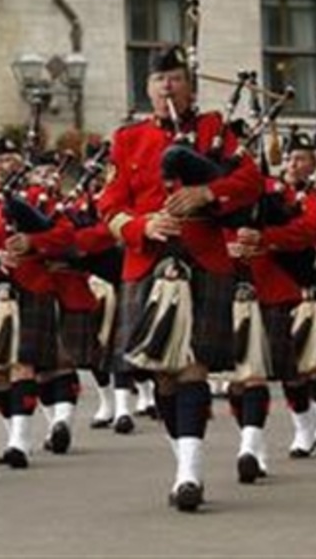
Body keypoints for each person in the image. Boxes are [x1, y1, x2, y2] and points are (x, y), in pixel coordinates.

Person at [97, 45, 262, 511]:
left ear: (190, 84)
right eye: (158, 79)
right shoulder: (128, 140)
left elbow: (251, 183)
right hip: (149, 263)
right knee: (162, 379)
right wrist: (140, 226)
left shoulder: (217, 131)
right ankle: (182, 460)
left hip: (202, 259)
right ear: (147, 88)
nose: (166, 86)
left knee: (190, 366)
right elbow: (108, 206)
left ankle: (189, 474)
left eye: (174, 77)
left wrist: (209, 192)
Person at [228, 131, 316, 475]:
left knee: (289, 374)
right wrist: (227, 248)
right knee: (244, 378)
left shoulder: (291, 196)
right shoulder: (225, 193)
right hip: (235, 289)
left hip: (276, 288)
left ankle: (304, 426)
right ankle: (253, 448)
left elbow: (309, 231)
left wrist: (266, 239)